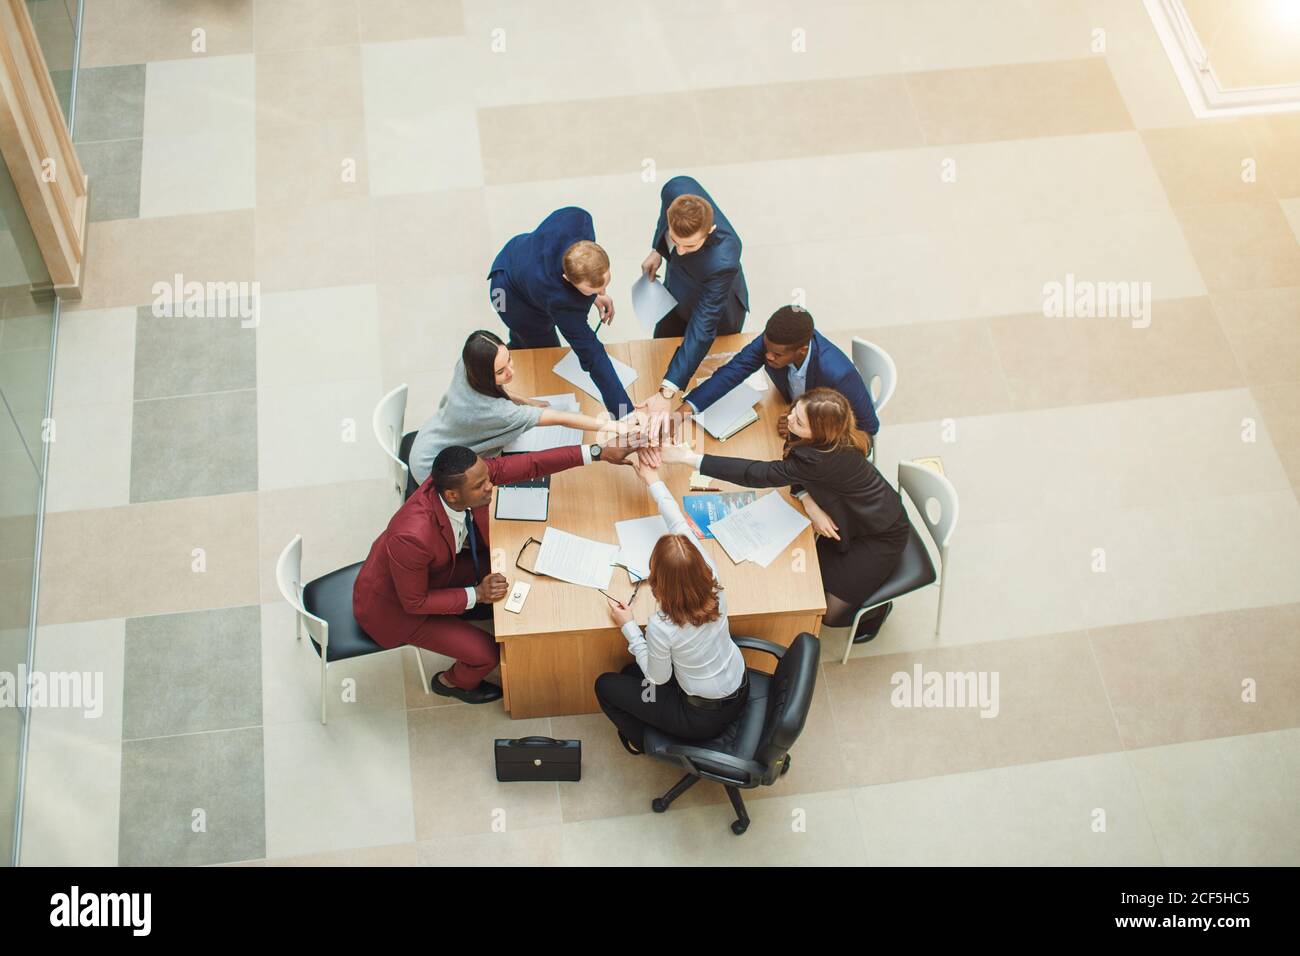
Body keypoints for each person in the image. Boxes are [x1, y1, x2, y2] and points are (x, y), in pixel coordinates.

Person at [354, 440, 639, 703]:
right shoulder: (412, 537)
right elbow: (414, 602)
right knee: (485, 654)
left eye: (487, 478)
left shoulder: (458, 480)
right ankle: (453, 683)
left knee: (500, 562)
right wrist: (475, 595)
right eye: (481, 485)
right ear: (452, 494)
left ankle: (468, 607)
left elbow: (531, 464)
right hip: (396, 608)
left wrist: (597, 452)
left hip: (433, 573)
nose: (491, 486)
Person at [661, 388, 911, 643]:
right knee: (808, 577)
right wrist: (809, 503)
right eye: (794, 410)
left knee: (831, 615)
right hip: (848, 518)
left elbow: (760, 474)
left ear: (819, 433)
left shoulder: (822, 458)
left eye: (799, 421)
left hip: (880, 532)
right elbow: (797, 472)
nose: (789, 418)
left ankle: (877, 608)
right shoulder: (820, 444)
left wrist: (689, 458)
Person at [594, 451, 749, 755]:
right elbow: (679, 525)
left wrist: (629, 629)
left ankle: (643, 741)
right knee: (629, 674)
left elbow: (657, 678)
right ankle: (653, 717)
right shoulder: (713, 580)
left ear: (656, 583)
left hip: (700, 717)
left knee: (608, 685)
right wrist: (652, 480)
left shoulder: (662, 626)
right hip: (739, 688)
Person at [408, 330, 639, 484]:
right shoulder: (499, 414)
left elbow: (495, 391)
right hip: (434, 471)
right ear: (483, 373)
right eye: (500, 371)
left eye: (508, 359)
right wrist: (612, 425)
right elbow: (559, 417)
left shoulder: (466, 366)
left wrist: (527, 401)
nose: (511, 371)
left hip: (429, 440)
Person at [488, 207, 634, 418]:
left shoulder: (578, 218)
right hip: (508, 296)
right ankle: (504, 363)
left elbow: (587, 273)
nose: (602, 292)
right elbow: (593, 355)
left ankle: (517, 345)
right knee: (545, 350)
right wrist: (625, 413)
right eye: (592, 291)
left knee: (527, 341)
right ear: (567, 279)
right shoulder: (560, 300)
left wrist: (594, 293)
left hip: (518, 255)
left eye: (604, 284)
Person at [638, 176, 749, 429]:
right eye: (675, 242)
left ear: (709, 232)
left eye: (689, 245)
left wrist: (668, 393)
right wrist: (659, 249)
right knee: (659, 349)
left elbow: (702, 327)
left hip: (715, 312)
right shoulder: (677, 188)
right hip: (677, 292)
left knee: (704, 371)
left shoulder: (723, 260)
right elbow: (665, 221)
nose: (679, 251)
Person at [677, 305, 878, 439]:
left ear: (802, 350)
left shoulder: (837, 374)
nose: (769, 357)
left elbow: (868, 431)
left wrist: (807, 430)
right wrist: (685, 410)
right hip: (786, 411)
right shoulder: (771, 343)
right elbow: (733, 371)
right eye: (767, 348)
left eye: (777, 355)